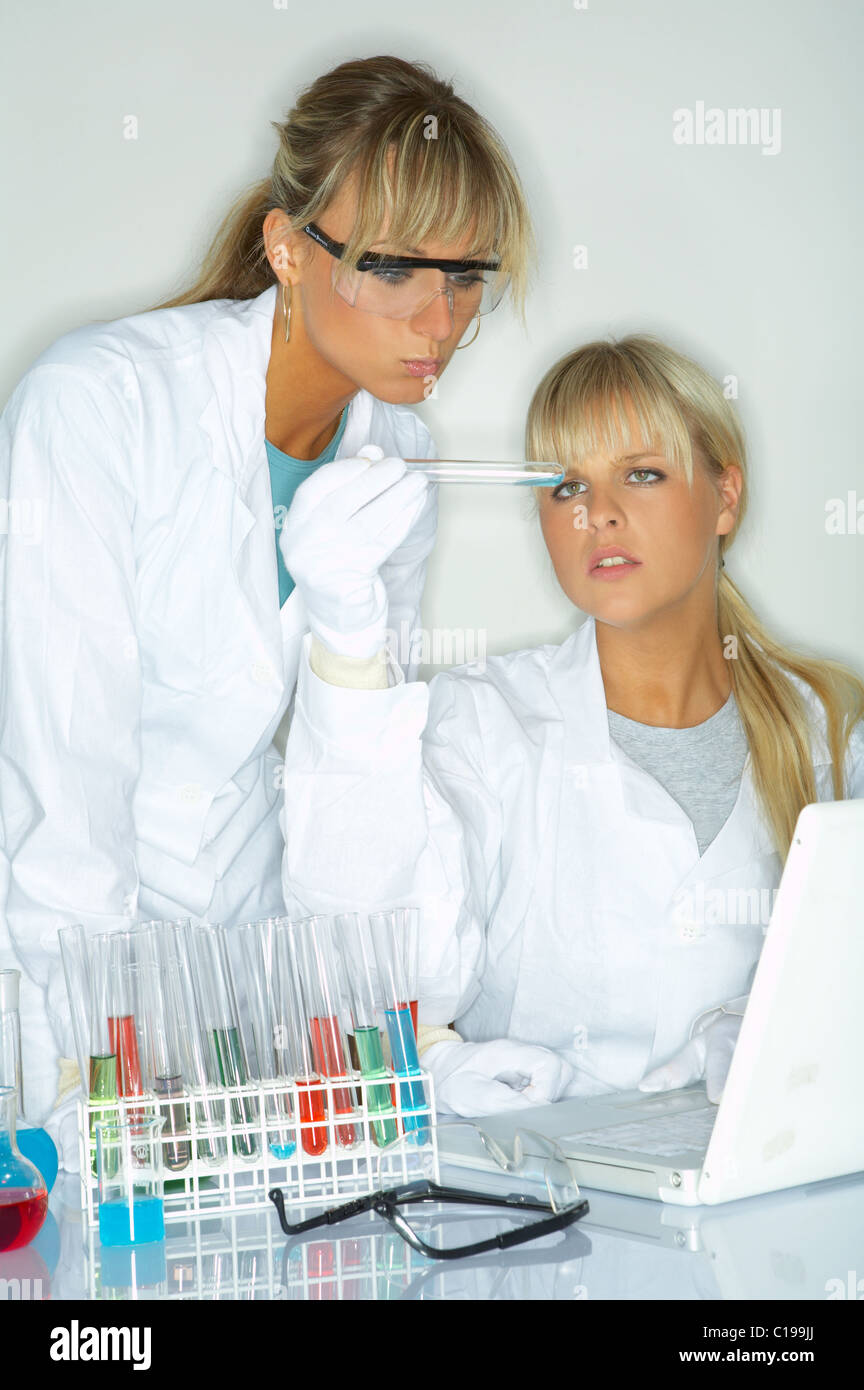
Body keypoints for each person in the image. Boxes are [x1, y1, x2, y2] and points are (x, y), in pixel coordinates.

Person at [0, 54, 536, 1144]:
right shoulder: (100, 403)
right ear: (289, 247)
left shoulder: (398, 458)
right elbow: (68, 781)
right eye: (394, 267)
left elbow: (351, 792)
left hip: (238, 993)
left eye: (467, 274)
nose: (440, 317)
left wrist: (409, 1040)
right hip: (57, 975)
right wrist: (84, 1082)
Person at [278, 334, 864, 1116]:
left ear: (725, 497)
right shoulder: (482, 723)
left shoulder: (828, 736)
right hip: (529, 1205)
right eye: (565, 487)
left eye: (643, 475)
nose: (598, 514)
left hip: (755, 1222)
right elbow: (371, 976)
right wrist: (348, 652)